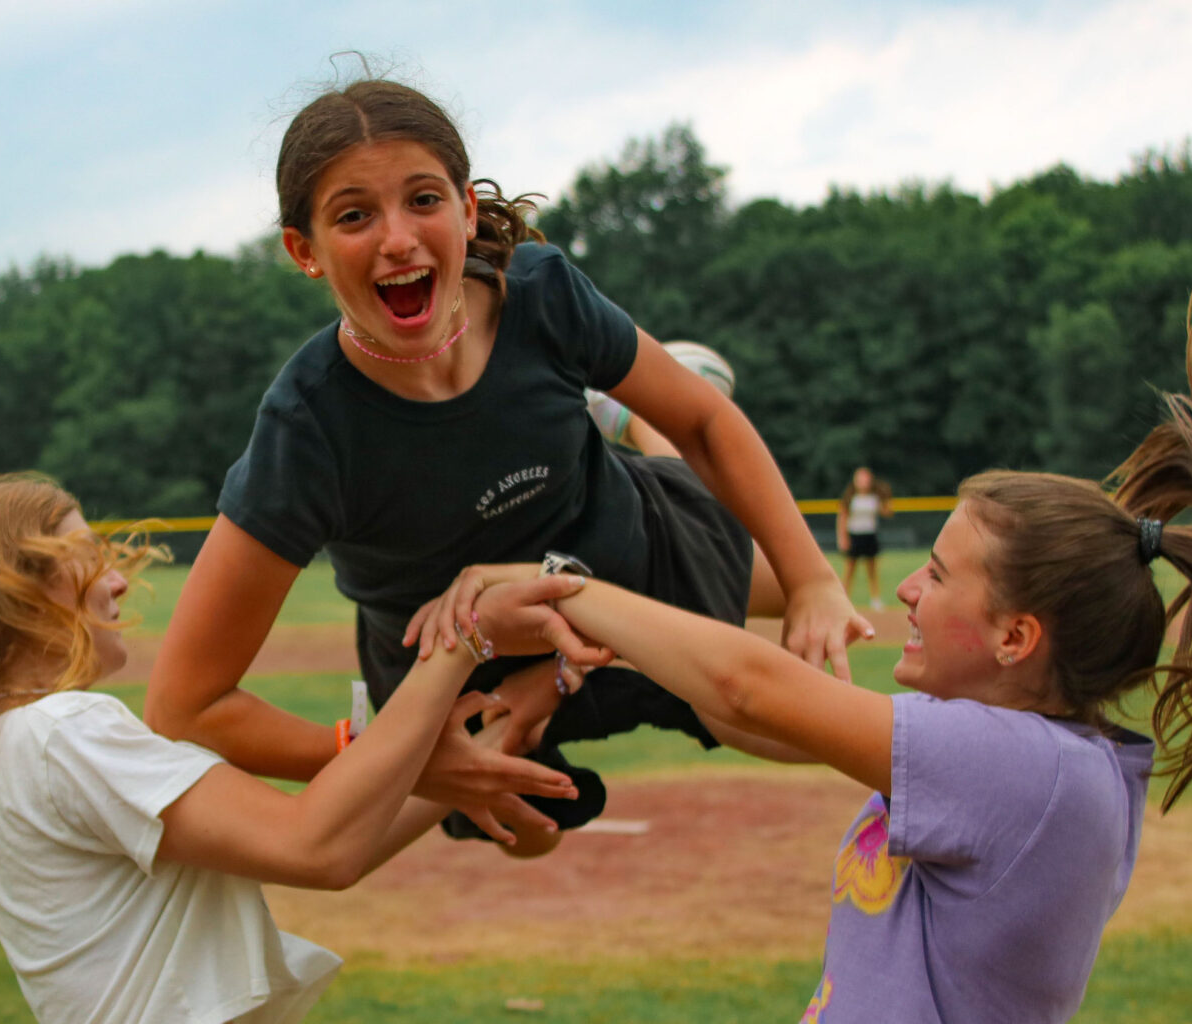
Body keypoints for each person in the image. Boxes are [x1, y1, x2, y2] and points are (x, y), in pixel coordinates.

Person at [447, 294, 1192, 1022]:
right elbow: (759, 720)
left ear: (1016, 638)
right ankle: (647, 416)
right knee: (699, 572)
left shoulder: (1030, 773)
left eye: (935, 575)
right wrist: (572, 676)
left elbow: (746, 692)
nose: (906, 594)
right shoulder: (1012, 747)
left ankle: (651, 416)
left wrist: (556, 584)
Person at [145, 75, 869, 853]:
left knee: (789, 716)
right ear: (304, 251)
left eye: (422, 199)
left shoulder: (542, 295)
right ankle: (609, 418)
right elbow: (185, 706)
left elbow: (701, 417)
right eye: (353, 216)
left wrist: (813, 583)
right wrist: (397, 754)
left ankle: (619, 420)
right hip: (468, 672)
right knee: (530, 836)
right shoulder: (307, 431)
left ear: (463, 207)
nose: (396, 238)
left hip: (634, 570)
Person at [0, 474, 593, 1024]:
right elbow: (318, 844)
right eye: (85, 555)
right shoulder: (65, 733)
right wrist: (463, 641)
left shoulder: (20, 743)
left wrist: (525, 704)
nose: (119, 579)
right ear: (18, 589)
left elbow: (348, 837)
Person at [836, 466, 893, 610]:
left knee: (872, 571)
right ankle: (843, 600)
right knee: (849, 571)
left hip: (870, 535)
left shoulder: (875, 497)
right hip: (855, 535)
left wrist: (886, 500)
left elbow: (887, 513)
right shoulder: (850, 498)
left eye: (865, 479)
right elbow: (842, 518)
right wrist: (843, 538)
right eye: (860, 479)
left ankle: (875, 599)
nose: (863, 482)